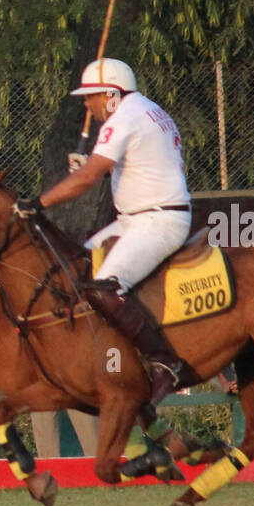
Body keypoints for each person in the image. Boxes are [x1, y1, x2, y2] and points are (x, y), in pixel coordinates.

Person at [32, 58, 196, 410]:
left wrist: (37, 203)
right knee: (76, 269)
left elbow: (87, 179)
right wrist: (97, 168)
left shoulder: (124, 117)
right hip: (139, 218)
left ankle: (165, 360)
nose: (87, 104)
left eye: (91, 96)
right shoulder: (148, 110)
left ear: (111, 94)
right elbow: (139, 165)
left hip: (157, 221)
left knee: (105, 286)